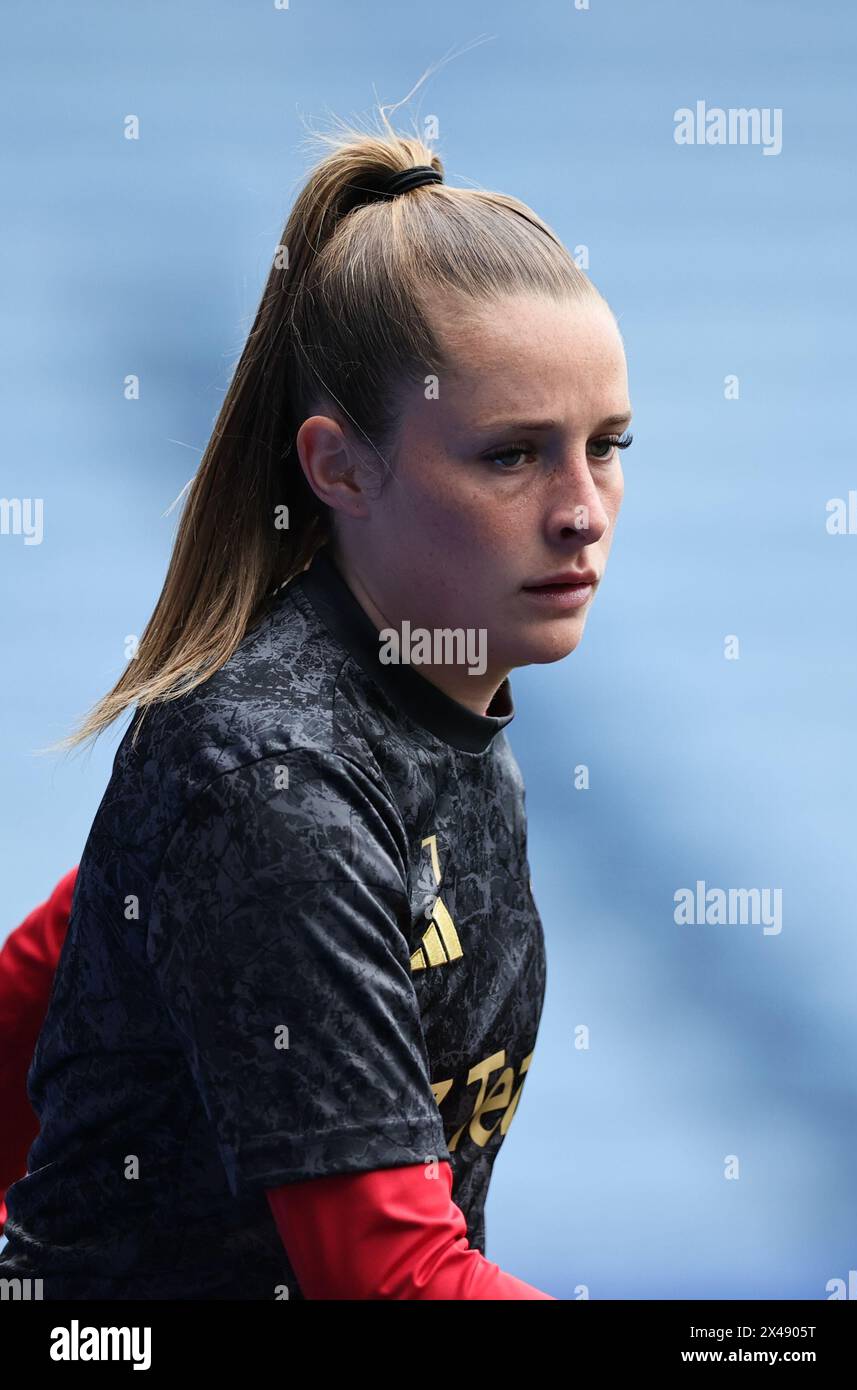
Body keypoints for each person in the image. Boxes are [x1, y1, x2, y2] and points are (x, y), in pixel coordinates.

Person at [0, 112, 632, 1299]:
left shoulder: (415, 705)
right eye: (510, 454)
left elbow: (83, 948)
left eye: (604, 445)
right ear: (339, 466)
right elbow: (389, 1283)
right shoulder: (271, 776)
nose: (580, 510)